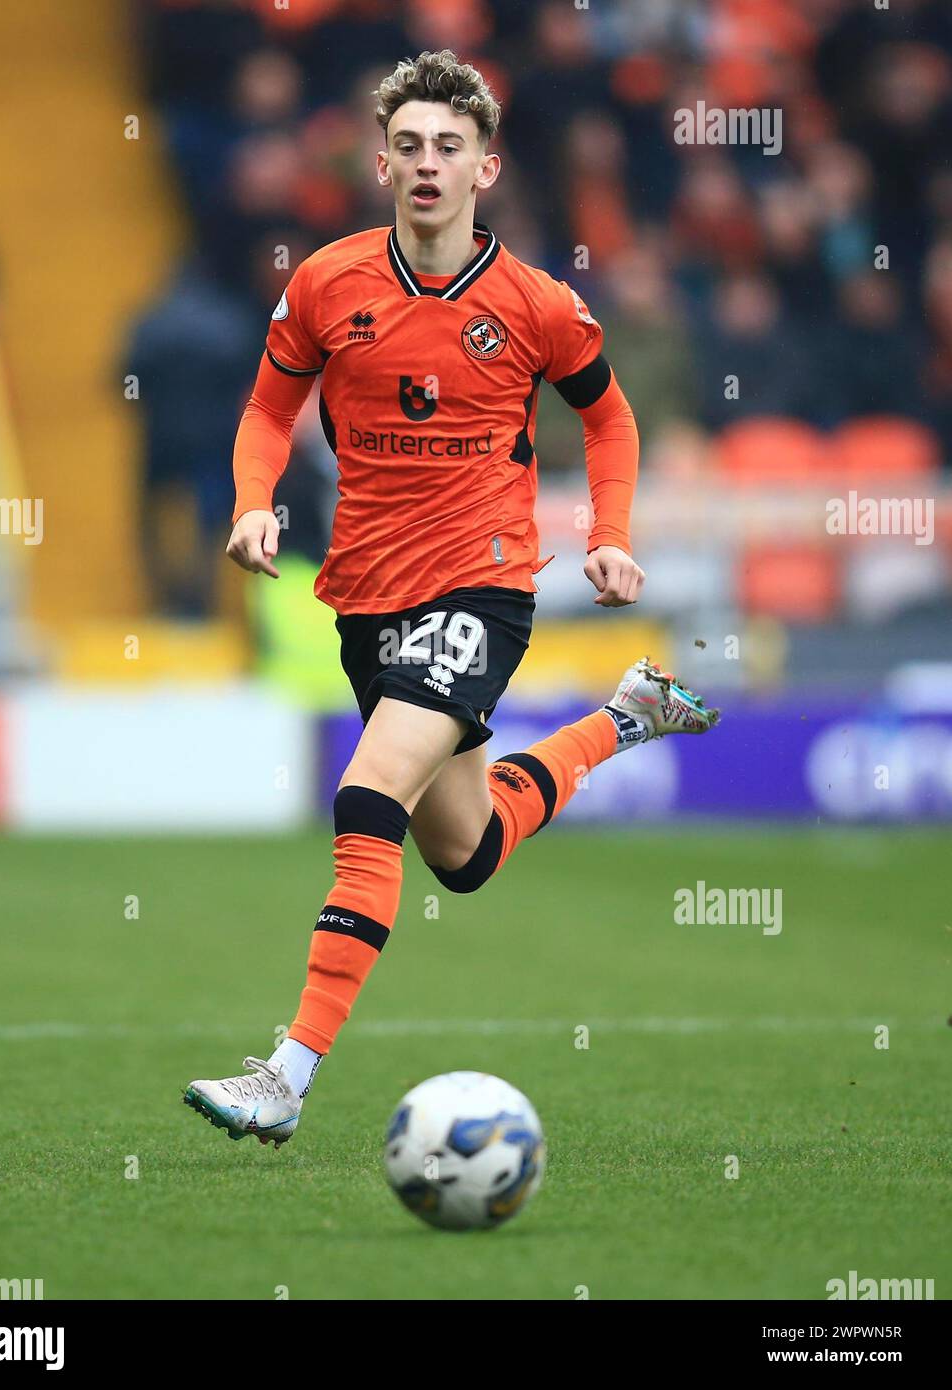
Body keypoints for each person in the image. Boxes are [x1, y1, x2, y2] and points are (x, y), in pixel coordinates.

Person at [184, 49, 719, 1149]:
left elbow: (611, 419)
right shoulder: (328, 283)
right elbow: (264, 411)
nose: (429, 164)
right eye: (411, 146)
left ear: (486, 166)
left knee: (366, 792)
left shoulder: (536, 304)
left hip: (482, 583)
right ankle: (627, 715)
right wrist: (251, 504)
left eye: (450, 147)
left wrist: (609, 535)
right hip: (368, 598)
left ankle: (285, 1074)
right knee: (463, 855)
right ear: (381, 164)